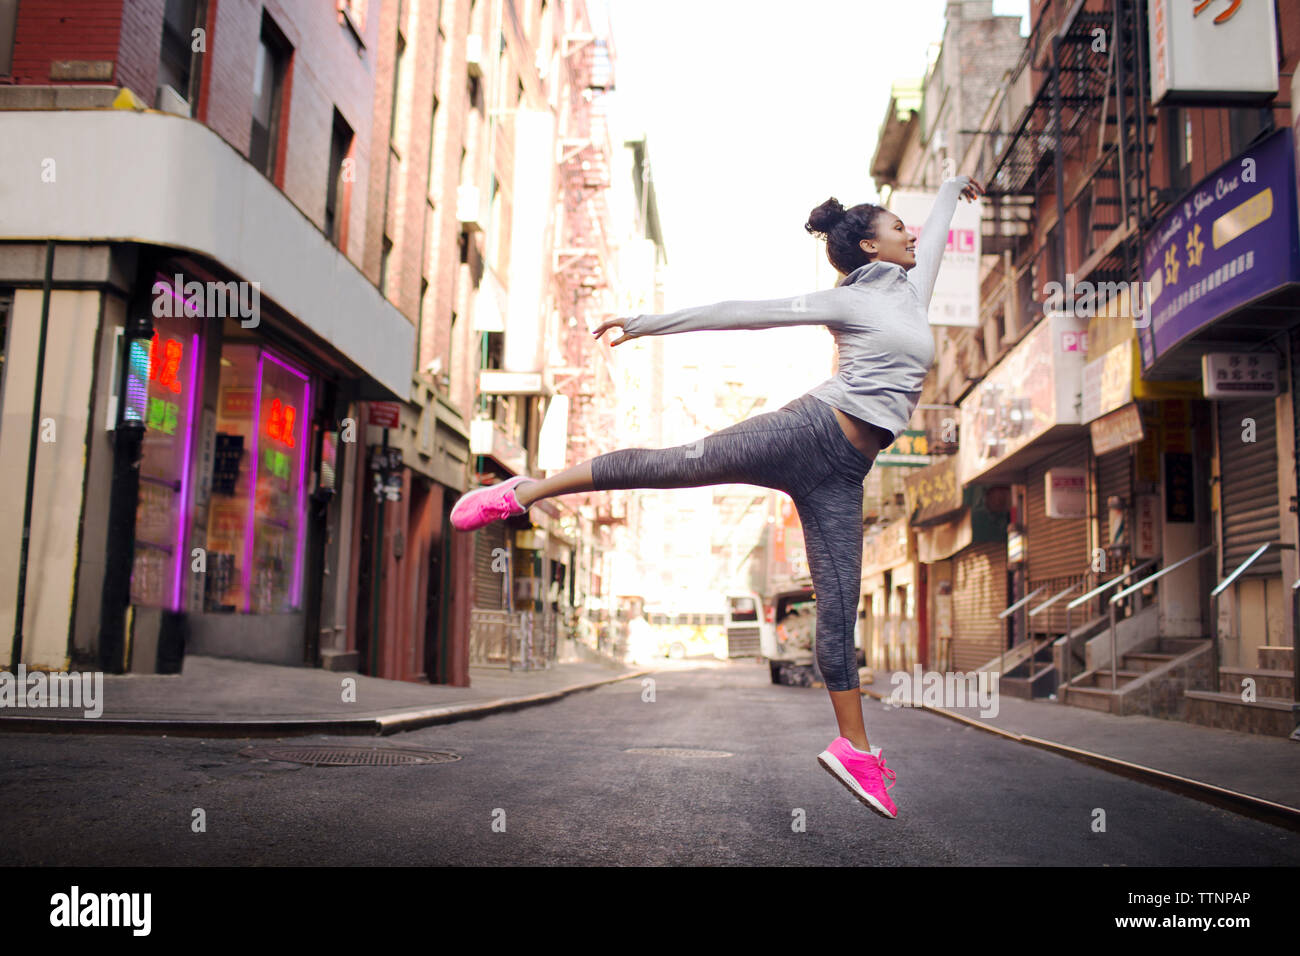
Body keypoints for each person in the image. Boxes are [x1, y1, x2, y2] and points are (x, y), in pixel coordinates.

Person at [449, 174, 985, 819]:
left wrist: (953, 187)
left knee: (841, 605)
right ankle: (525, 493)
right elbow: (745, 312)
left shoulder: (910, 289)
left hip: (844, 473)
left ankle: (854, 749)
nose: (912, 233)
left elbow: (937, 243)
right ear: (871, 249)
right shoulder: (851, 302)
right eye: (899, 226)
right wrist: (649, 324)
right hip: (806, 432)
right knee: (678, 466)